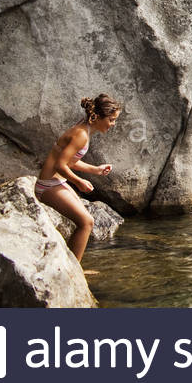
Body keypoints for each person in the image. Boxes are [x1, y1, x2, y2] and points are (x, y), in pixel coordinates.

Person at [35, 94, 121, 263]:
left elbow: (71, 161)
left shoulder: (84, 130)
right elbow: (60, 165)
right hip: (48, 185)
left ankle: (71, 263)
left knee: (86, 220)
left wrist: (96, 170)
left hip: (56, 183)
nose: (113, 124)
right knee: (86, 222)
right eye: (111, 120)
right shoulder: (81, 134)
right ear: (97, 117)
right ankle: (76, 270)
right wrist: (79, 182)